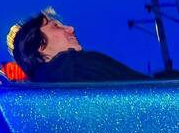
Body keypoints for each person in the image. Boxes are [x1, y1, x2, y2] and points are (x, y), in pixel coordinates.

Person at [8, 9, 150, 83]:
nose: (71, 29)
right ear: (38, 44)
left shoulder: (41, 93)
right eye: (56, 26)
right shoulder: (75, 66)